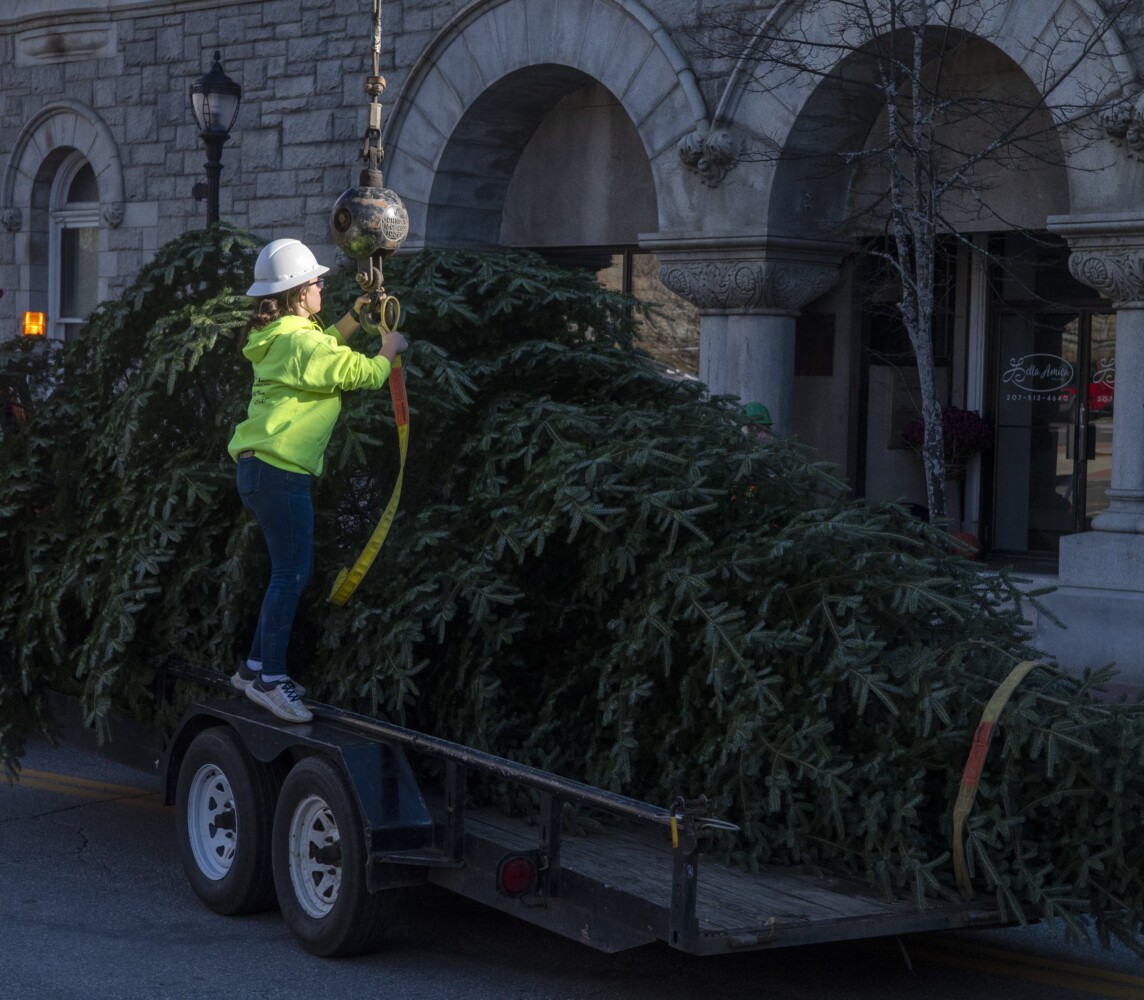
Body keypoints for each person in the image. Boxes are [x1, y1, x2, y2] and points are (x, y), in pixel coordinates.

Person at [228, 238, 408, 723]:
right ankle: (270, 681)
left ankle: (252, 670)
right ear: (296, 292)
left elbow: (323, 345)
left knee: (283, 573)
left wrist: (353, 317)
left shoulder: (285, 335)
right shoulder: (299, 341)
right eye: (316, 283)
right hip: (280, 473)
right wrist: (388, 348)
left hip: (260, 469)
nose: (321, 287)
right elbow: (357, 372)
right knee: (292, 574)